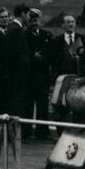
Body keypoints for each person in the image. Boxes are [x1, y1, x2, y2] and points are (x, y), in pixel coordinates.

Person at [25, 8, 54, 137]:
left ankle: (43, 132)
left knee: (43, 105)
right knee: (28, 104)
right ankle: (26, 131)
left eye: (36, 19)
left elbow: (50, 52)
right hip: (29, 75)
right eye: (32, 19)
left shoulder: (47, 35)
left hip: (43, 75)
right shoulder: (24, 34)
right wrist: (33, 55)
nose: (34, 22)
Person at [51, 13, 85, 78]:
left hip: (80, 74)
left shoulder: (82, 39)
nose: (71, 24)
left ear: (75, 24)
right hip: (63, 75)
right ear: (63, 25)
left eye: (72, 22)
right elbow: (54, 59)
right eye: (68, 22)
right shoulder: (57, 40)